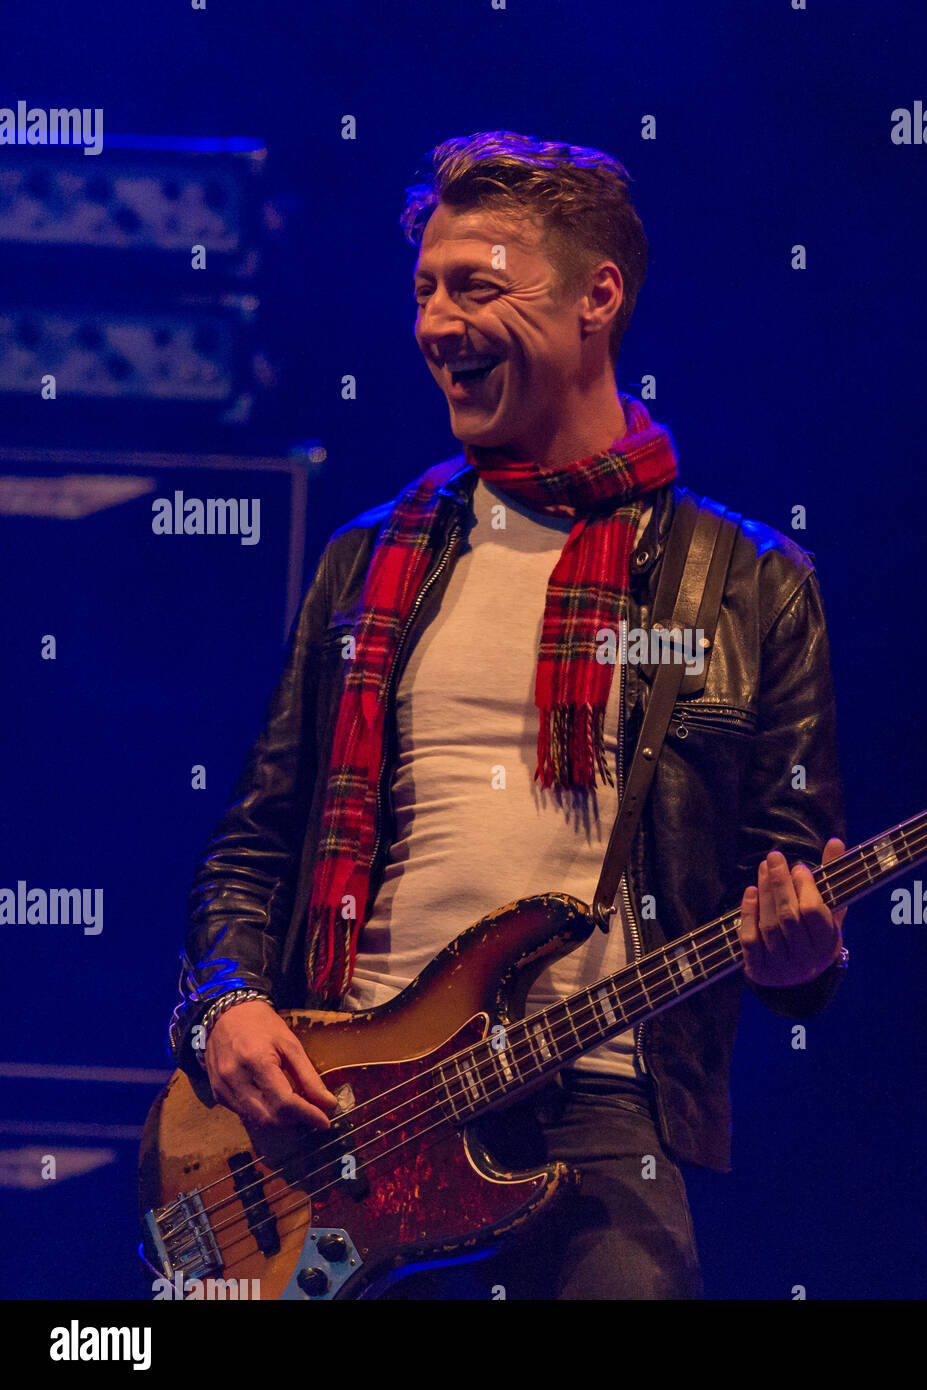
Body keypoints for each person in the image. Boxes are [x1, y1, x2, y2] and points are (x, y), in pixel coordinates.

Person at [166, 130, 849, 1299]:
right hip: (339, 1114)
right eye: (423, 290)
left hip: (602, 1105)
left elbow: (787, 893)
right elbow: (255, 840)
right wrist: (225, 1005)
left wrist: (805, 947)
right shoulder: (366, 560)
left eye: (475, 289)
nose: (436, 323)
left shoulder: (748, 582)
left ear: (597, 298)